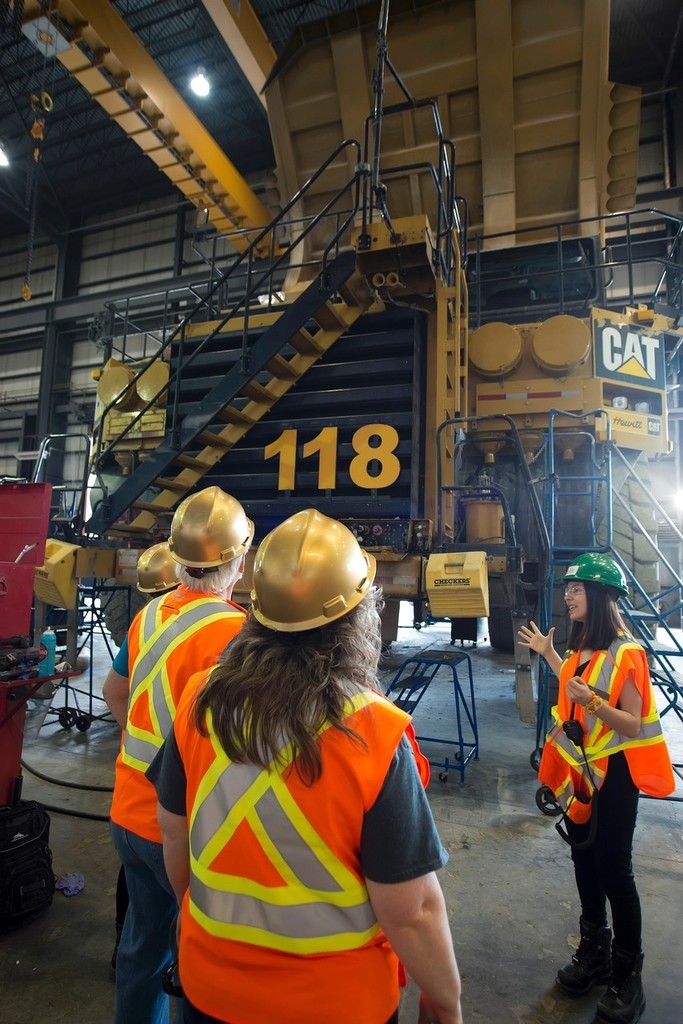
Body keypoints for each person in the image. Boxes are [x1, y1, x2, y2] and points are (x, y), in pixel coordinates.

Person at [148, 508, 463, 1024]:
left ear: (257, 608)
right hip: (338, 1003)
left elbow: (173, 833)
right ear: (356, 616)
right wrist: (444, 1001)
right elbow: (412, 911)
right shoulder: (375, 731)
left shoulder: (200, 700)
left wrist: (199, 926)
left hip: (210, 990)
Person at [103, 486, 254, 1024]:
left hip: (128, 816)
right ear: (240, 564)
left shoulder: (149, 614)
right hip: (184, 829)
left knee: (142, 948)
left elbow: (114, 692)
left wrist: (150, 752)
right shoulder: (238, 633)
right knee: (199, 957)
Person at [518, 552, 674, 1024]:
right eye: (568, 588)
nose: (568, 596)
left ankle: (628, 975)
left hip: (615, 776)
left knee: (614, 871)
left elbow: (631, 722)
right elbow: (575, 684)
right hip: (581, 774)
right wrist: (549, 655)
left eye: (576, 589)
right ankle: (595, 954)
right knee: (583, 859)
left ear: (602, 595)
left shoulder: (627, 652)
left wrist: (594, 704)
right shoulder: (581, 647)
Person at [105, 541, 180, 980]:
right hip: (176, 815)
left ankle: (123, 955)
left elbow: (113, 691)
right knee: (188, 945)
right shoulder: (220, 627)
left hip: (130, 806)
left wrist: (140, 739)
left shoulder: (143, 623)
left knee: (141, 932)